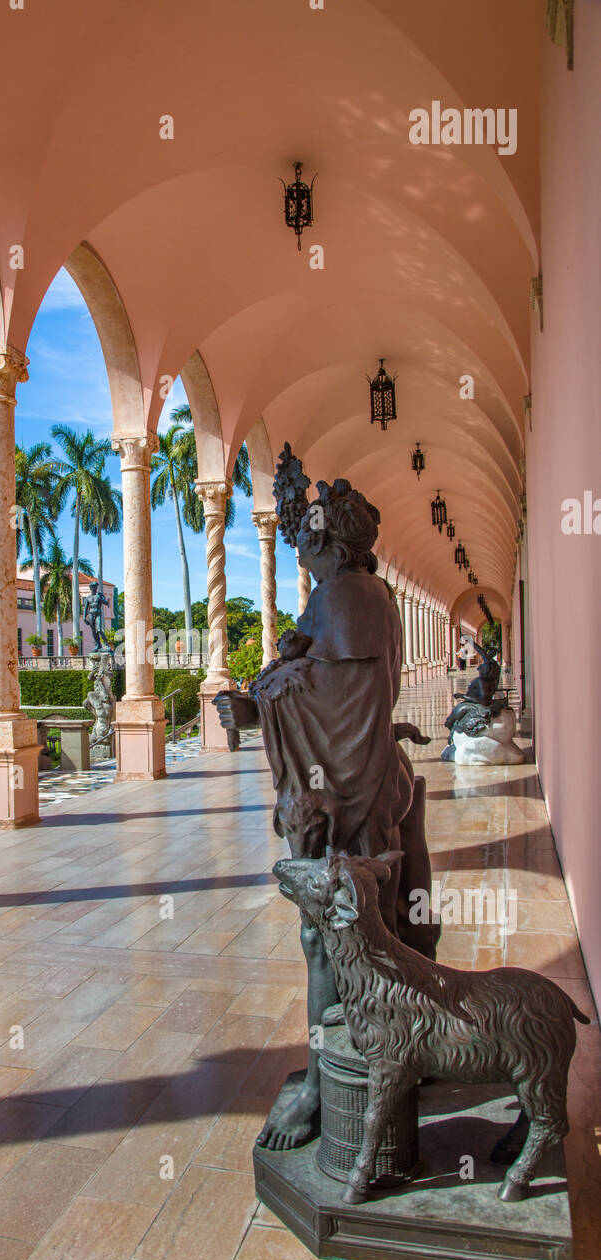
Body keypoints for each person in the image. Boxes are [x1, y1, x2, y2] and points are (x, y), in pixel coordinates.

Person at [214, 476, 435, 1149]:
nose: (297, 547)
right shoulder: (359, 595)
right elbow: (339, 689)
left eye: (306, 537)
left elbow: (344, 705)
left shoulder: (347, 596)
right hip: (361, 785)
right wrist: (273, 697)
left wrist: (263, 702)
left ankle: (322, 1085)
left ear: (331, 544)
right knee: (378, 930)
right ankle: (394, 1055)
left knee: (329, 938)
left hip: (349, 796)